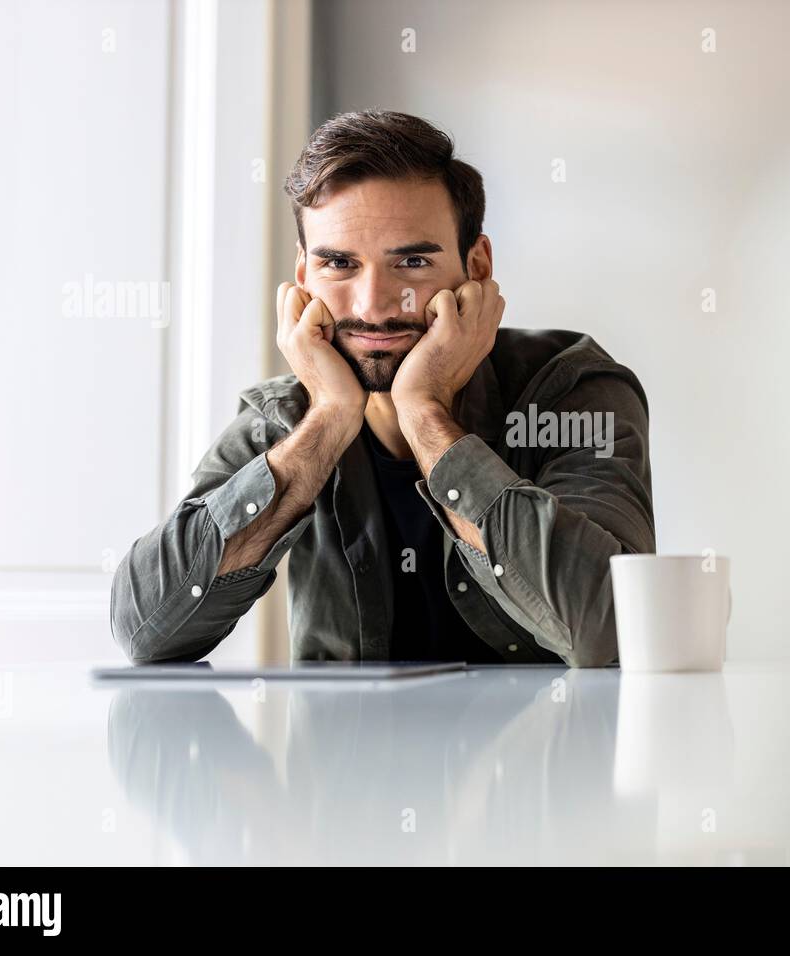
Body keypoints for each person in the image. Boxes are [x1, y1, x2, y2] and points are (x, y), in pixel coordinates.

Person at [110, 110, 655, 666]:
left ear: (477, 266)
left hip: (547, 751)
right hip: (341, 755)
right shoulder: (287, 416)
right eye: (339, 264)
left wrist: (423, 410)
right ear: (304, 278)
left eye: (413, 261)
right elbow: (144, 629)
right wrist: (327, 418)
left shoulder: (569, 388)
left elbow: (612, 629)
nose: (373, 306)